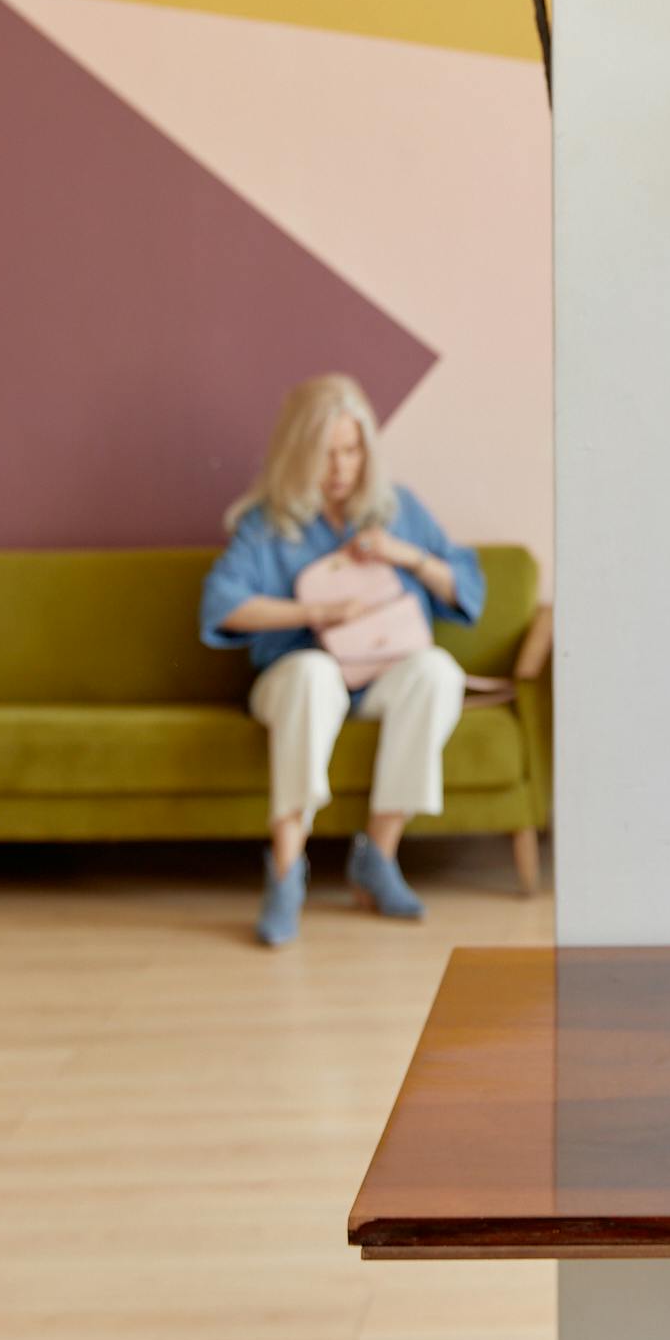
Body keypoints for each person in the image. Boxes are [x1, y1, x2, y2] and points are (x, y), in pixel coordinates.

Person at [200, 373, 485, 948]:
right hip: (298, 675)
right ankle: (285, 869)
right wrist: (312, 613)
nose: (340, 467)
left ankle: (378, 856)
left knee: (437, 671)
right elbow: (223, 606)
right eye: (325, 452)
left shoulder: (396, 509)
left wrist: (404, 554)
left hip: (379, 678)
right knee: (313, 673)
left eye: (351, 450)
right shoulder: (268, 522)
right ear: (298, 452)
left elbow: (466, 586)